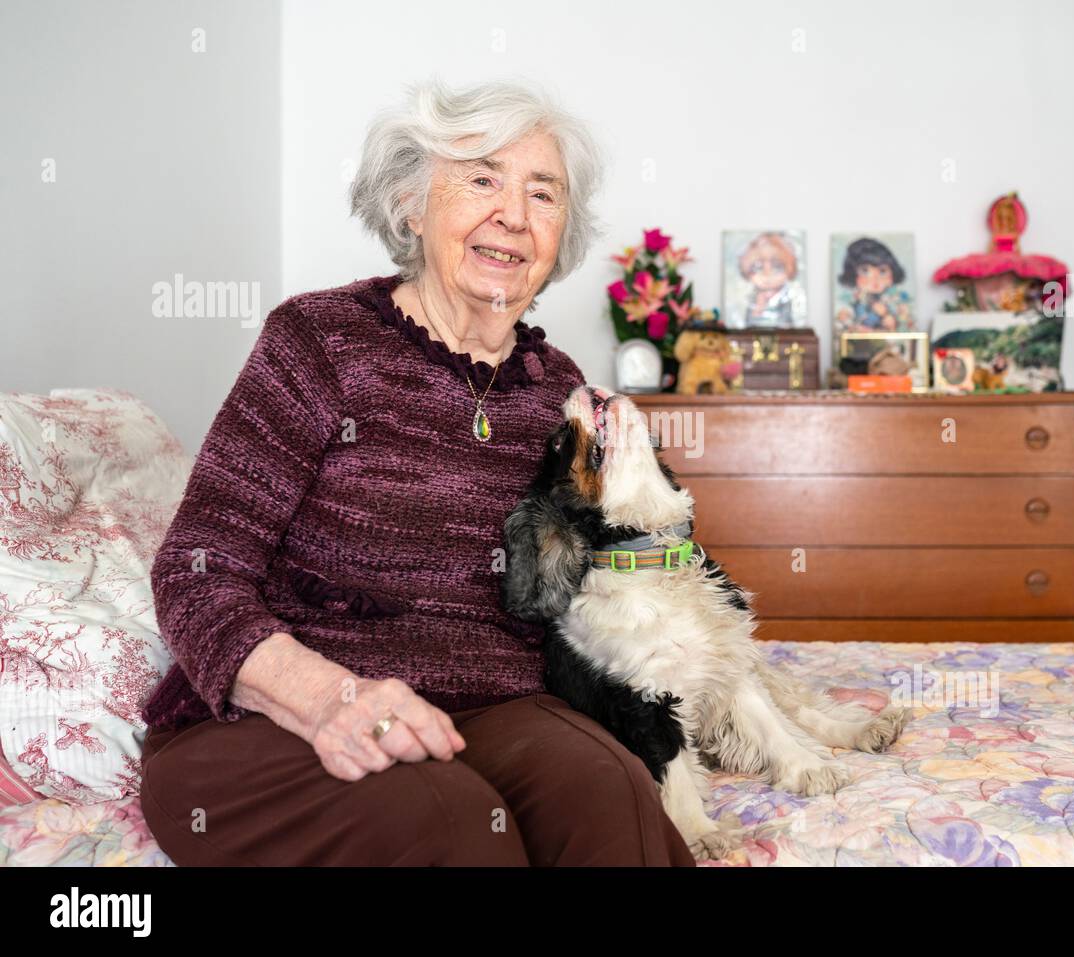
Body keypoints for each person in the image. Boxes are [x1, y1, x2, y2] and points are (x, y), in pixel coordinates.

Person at [137, 77, 697, 866]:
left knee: (614, 795)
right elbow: (197, 572)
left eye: (543, 193)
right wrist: (332, 697)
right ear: (410, 203)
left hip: (497, 711)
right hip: (271, 723)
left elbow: (599, 585)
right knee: (451, 824)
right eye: (481, 178)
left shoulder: (562, 394)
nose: (513, 214)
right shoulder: (318, 342)